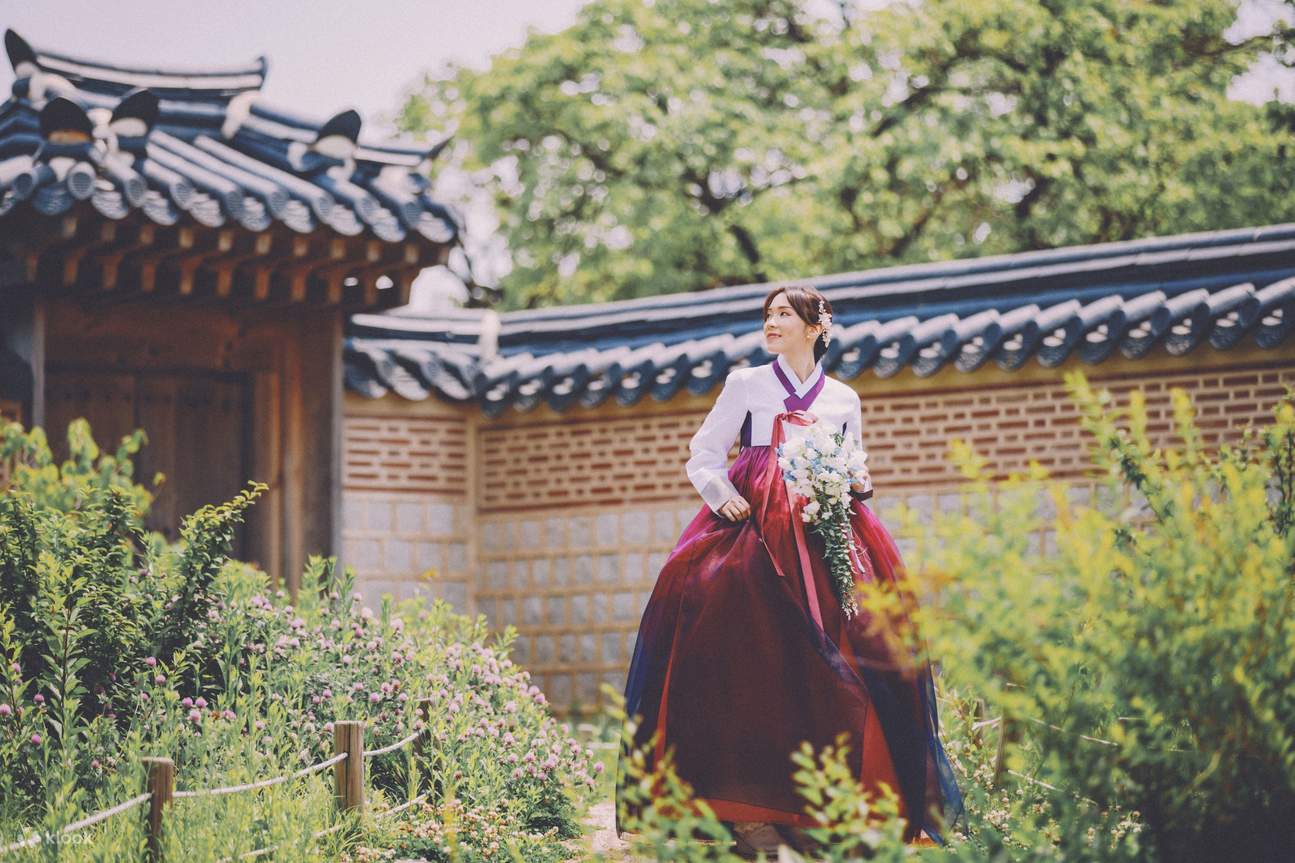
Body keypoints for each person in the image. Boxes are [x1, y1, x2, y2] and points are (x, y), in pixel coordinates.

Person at [615, 284, 964, 856]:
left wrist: (858, 481)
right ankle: (750, 816)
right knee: (749, 660)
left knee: (859, 652)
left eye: (784, 314)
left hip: (827, 535)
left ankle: (842, 810)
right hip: (755, 536)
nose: (772, 322)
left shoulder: (843, 399)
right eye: (768, 314)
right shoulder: (746, 385)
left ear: (814, 326)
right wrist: (721, 493)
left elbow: (857, 460)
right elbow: (703, 453)